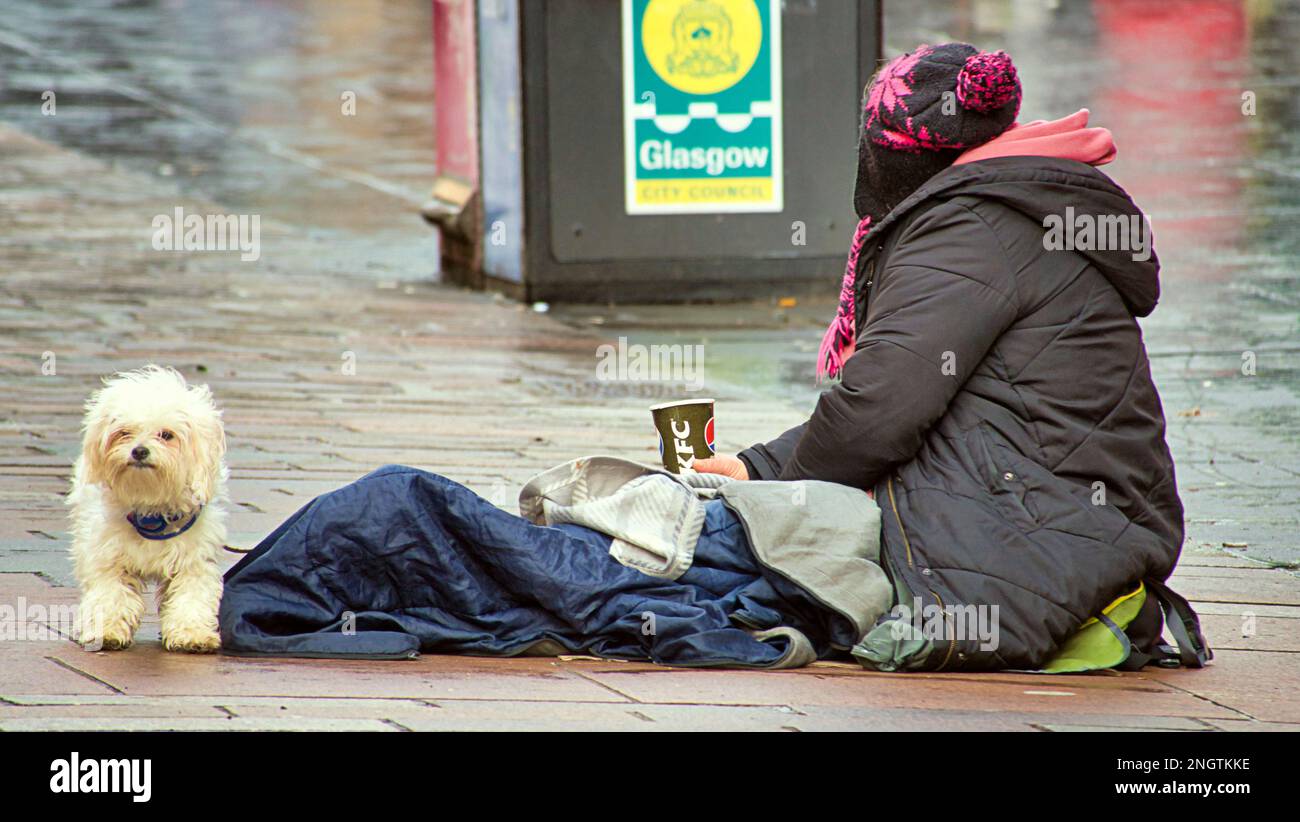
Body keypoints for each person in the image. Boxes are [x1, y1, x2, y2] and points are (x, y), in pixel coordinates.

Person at [695, 43, 1194, 669]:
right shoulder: (1003, 200)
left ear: (901, 154)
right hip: (1078, 520)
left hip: (1041, 539)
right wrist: (765, 468)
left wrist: (762, 474)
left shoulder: (971, 225)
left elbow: (880, 408)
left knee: (702, 552)